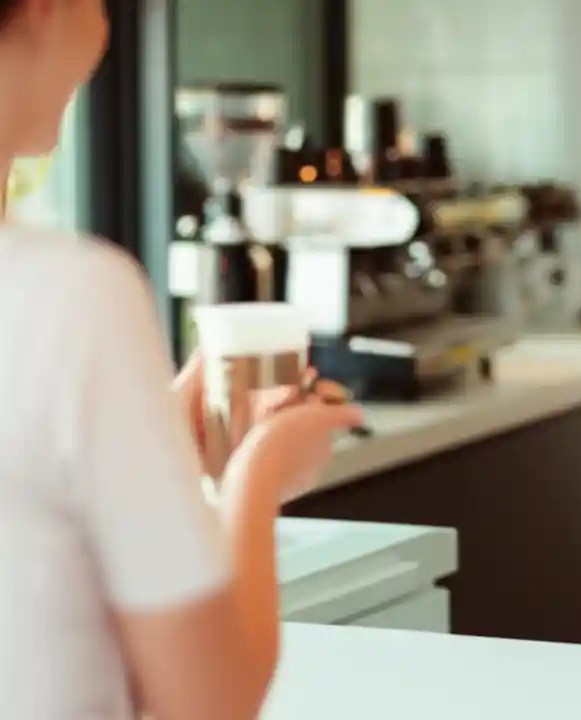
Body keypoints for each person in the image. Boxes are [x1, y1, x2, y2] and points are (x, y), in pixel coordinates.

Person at [0, 1, 363, 718]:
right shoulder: (73, 294)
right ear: (44, 8)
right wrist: (254, 481)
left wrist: (145, 444)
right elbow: (210, 704)